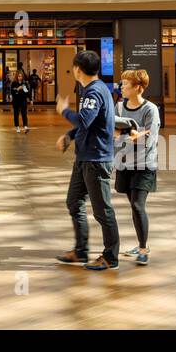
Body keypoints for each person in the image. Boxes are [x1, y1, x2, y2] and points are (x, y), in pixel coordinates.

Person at [54, 50, 120, 271]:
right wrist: (70, 136)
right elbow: (88, 124)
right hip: (84, 157)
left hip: (96, 160)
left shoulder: (93, 92)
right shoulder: (94, 90)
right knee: (74, 202)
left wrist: (64, 110)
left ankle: (110, 256)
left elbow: (84, 119)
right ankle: (81, 251)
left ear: (77, 69)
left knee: (102, 210)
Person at [114, 68, 158, 265]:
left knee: (138, 205)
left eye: (125, 84)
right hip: (125, 164)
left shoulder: (150, 109)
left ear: (138, 88)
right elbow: (113, 133)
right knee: (134, 205)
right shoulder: (119, 107)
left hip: (144, 165)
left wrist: (129, 136)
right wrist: (129, 136)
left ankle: (143, 248)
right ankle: (141, 243)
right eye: (122, 84)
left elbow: (149, 139)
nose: (121, 87)